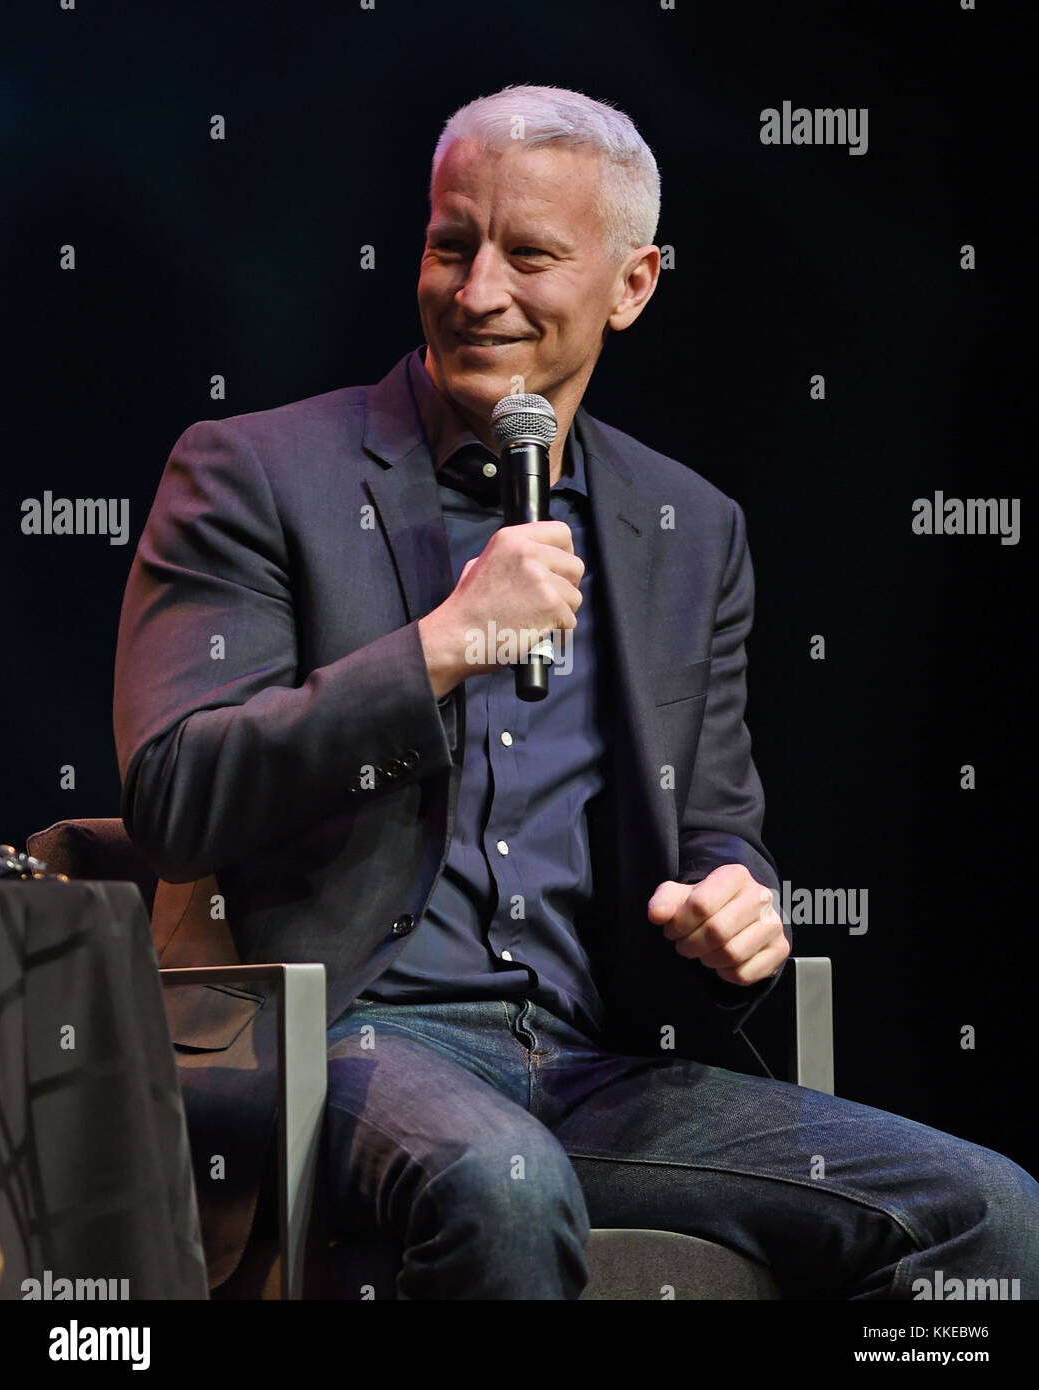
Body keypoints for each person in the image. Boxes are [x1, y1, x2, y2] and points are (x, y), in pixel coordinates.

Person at [113, 84, 1039, 1300]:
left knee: (984, 1213)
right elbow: (175, 792)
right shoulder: (252, 472)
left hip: (591, 1063)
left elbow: (716, 825)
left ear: (632, 284)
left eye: (528, 255)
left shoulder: (686, 527)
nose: (476, 290)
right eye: (452, 244)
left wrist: (740, 900)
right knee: (503, 1181)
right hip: (332, 1037)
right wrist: (441, 645)